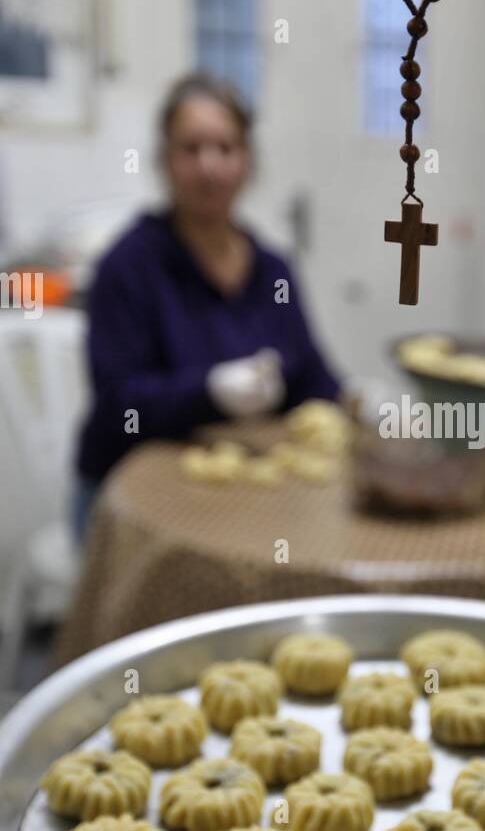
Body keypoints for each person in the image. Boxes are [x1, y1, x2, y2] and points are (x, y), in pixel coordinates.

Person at [72, 73, 340, 539]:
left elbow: (310, 378)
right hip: (131, 502)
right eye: (191, 149)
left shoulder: (271, 270)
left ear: (248, 162)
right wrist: (208, 392)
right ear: (165, 161)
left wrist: (355, 402)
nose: (209, 166)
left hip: (248, 499)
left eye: (225, 148)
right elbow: (118, 405)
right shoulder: (129, 267)